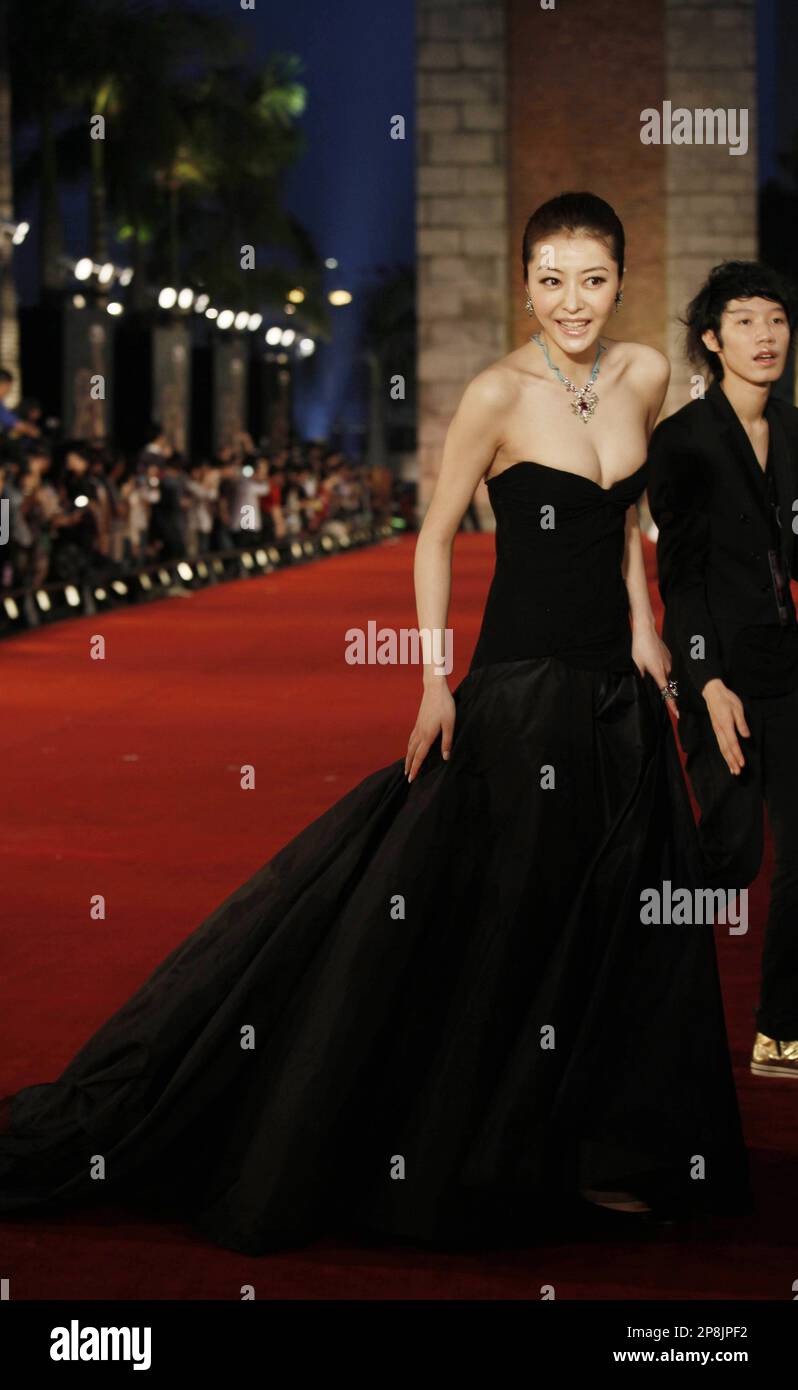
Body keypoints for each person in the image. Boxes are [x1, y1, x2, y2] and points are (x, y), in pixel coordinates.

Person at [0, 193, 751, 1255]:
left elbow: (627, 520)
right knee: (504, 918)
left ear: (620, 282)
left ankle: (609, 1149)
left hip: (616, 697)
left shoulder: (642, 375)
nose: (571, 300)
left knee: (623, 916)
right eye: (550, 279)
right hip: (518, 689)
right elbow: (436, 535)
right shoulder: (495, 393)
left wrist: (644, 628)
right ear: (523, 282)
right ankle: (485, 1142)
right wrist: (436, 680)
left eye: (591, 279)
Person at [647, 261, 798, 1081]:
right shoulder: (683, 441)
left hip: (791, 666)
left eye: (775, 319)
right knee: (730, 858)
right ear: (713, 340)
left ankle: (782, 1029)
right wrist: (703, 684)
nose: (765, 336)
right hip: (721, 675)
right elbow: (684, 577)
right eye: (744, 321)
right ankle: (632, 997)